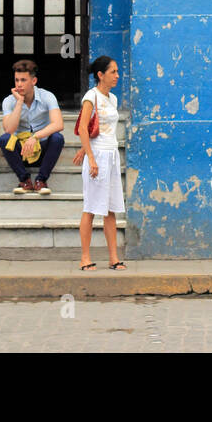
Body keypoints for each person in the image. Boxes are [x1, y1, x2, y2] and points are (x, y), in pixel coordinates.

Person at [74, 56, 127, 270]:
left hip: (112, 155)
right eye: (113, 72)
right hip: (98, 158)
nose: (117, 76)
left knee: (111, 209)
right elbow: (83, 128)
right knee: (91, 208)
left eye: (116, 71)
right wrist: (90, 157)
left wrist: (83, 149)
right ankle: (85, 257)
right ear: (100, 75)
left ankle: (114, 257)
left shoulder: (112, 99)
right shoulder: (91, 97)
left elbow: (100, 129)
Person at [0, 59, 65, 195]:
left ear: (34, 81)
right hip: (21, 151)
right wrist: (19, 102)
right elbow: (9, 130)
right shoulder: (9, 101)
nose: (19, 84)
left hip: (42, 147)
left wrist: (35, 137)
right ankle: (25, 180)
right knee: (5, 139)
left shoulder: (47, 96)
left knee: (58, 138)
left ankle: (41, 180)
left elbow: (58, 124)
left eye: (23, 80)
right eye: (16, 80)